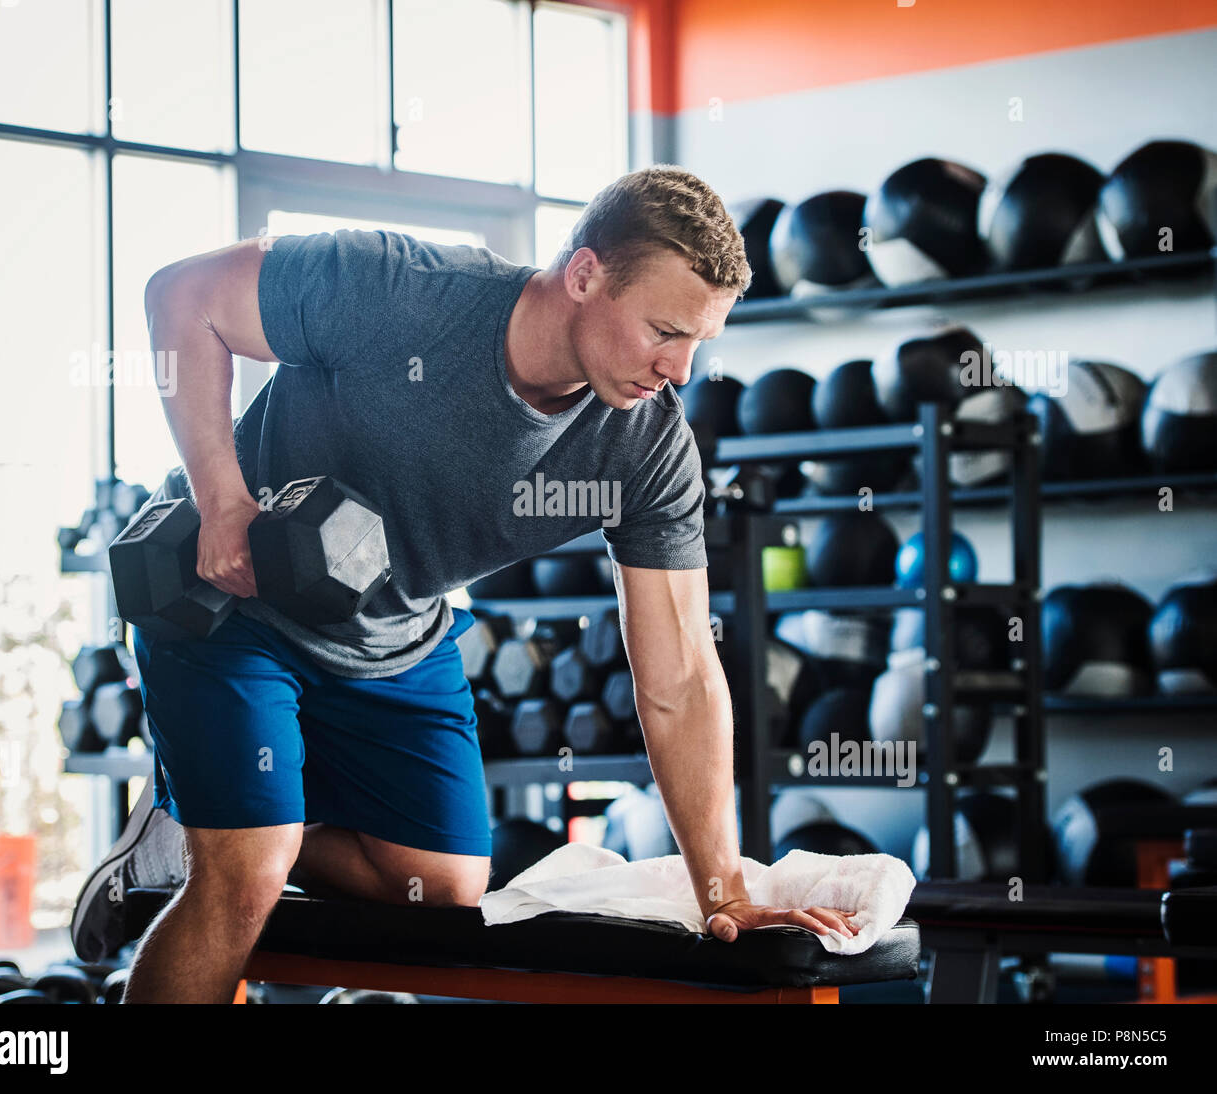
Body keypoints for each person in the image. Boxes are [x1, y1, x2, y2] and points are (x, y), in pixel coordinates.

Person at [71, 165, 857, 1003]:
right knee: (244, 878)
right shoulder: (399, 290)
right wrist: (221, 498)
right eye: (665, 330)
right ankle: (225, 837)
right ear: (585, 275)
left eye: (699, 341)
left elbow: (683, 678)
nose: (682, 369)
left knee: (441, 889)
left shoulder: (645, 448)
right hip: (230, 601)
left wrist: (723, 892)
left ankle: (193, 820)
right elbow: (179, 298)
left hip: (393, 633)